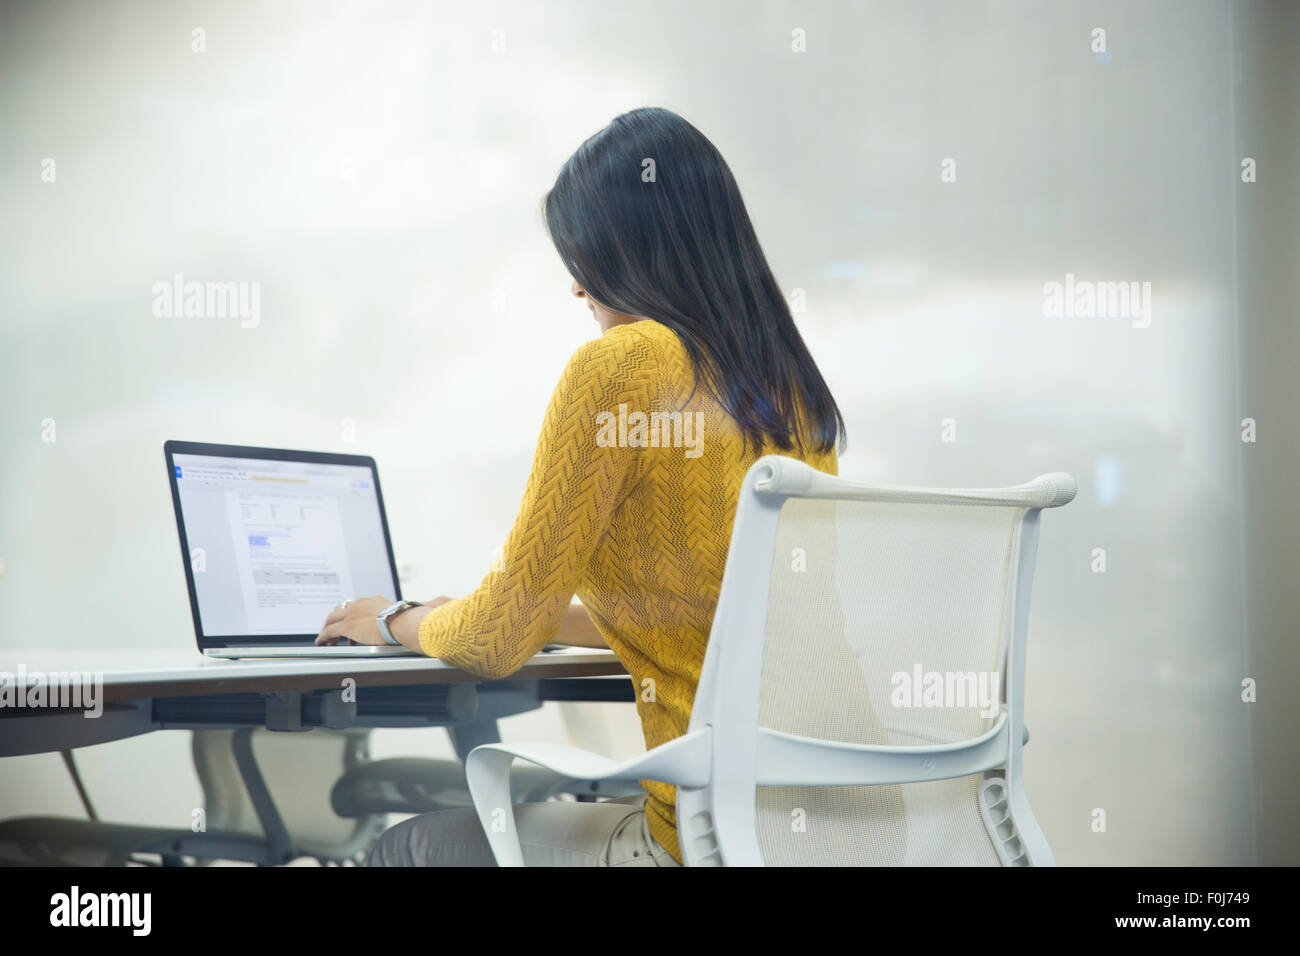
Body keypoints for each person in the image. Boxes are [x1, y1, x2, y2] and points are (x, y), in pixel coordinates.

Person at [316, 107, 845, 866]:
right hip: (848, 821)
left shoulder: (622, 366)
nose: (575, 287)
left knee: (408, 846)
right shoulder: (785, 385)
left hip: (709, 837)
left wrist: (394, 619)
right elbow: (720, 615)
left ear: (628, 251)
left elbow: (495, 644)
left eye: (584, 254)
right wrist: (497, 613)